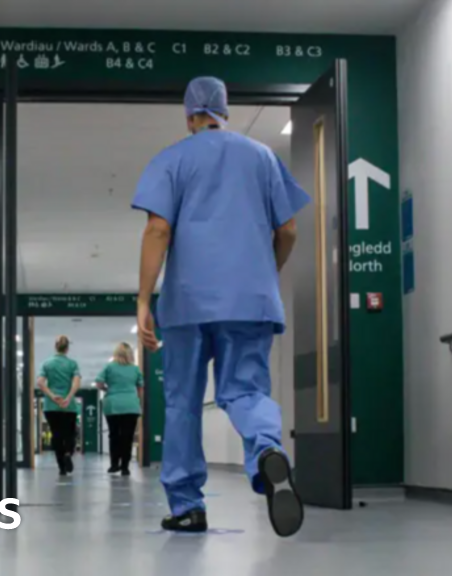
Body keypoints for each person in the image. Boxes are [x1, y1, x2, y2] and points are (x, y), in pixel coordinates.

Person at [131, 76, 310, 537]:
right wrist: (265, 274)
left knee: (183, 403)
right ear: (225, 113)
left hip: (188, 303)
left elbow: (157, 230)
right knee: (245, 391)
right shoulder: (263, 157)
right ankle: (269, 452)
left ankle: (188, 506)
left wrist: (144, 301)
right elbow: (287, 229)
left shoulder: (171, 158)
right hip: (250, 299)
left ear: (190, 115)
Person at [95, 342, 143, 477]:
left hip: (113, 404)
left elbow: (99, 383)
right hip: (131, 405)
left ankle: (114, 465)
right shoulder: (135, 369)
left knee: (114, 435)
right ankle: (125, 468)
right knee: (127, 437)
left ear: (116, 353)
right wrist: (136, 400)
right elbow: (140, 388)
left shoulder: (109, 367)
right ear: (130, 354)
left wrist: (107, 389)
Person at [36, 335, 82, 476]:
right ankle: (68, 452)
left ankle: (61, 467)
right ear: (67, 348)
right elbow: (76, 383)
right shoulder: (72, 364)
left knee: (56, 434)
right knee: (70, 433)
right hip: (69, 406)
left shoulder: (47, 364)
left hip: (51, 406)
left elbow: (40, 383)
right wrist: (68, 397)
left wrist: (52, 396)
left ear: (55, 347)